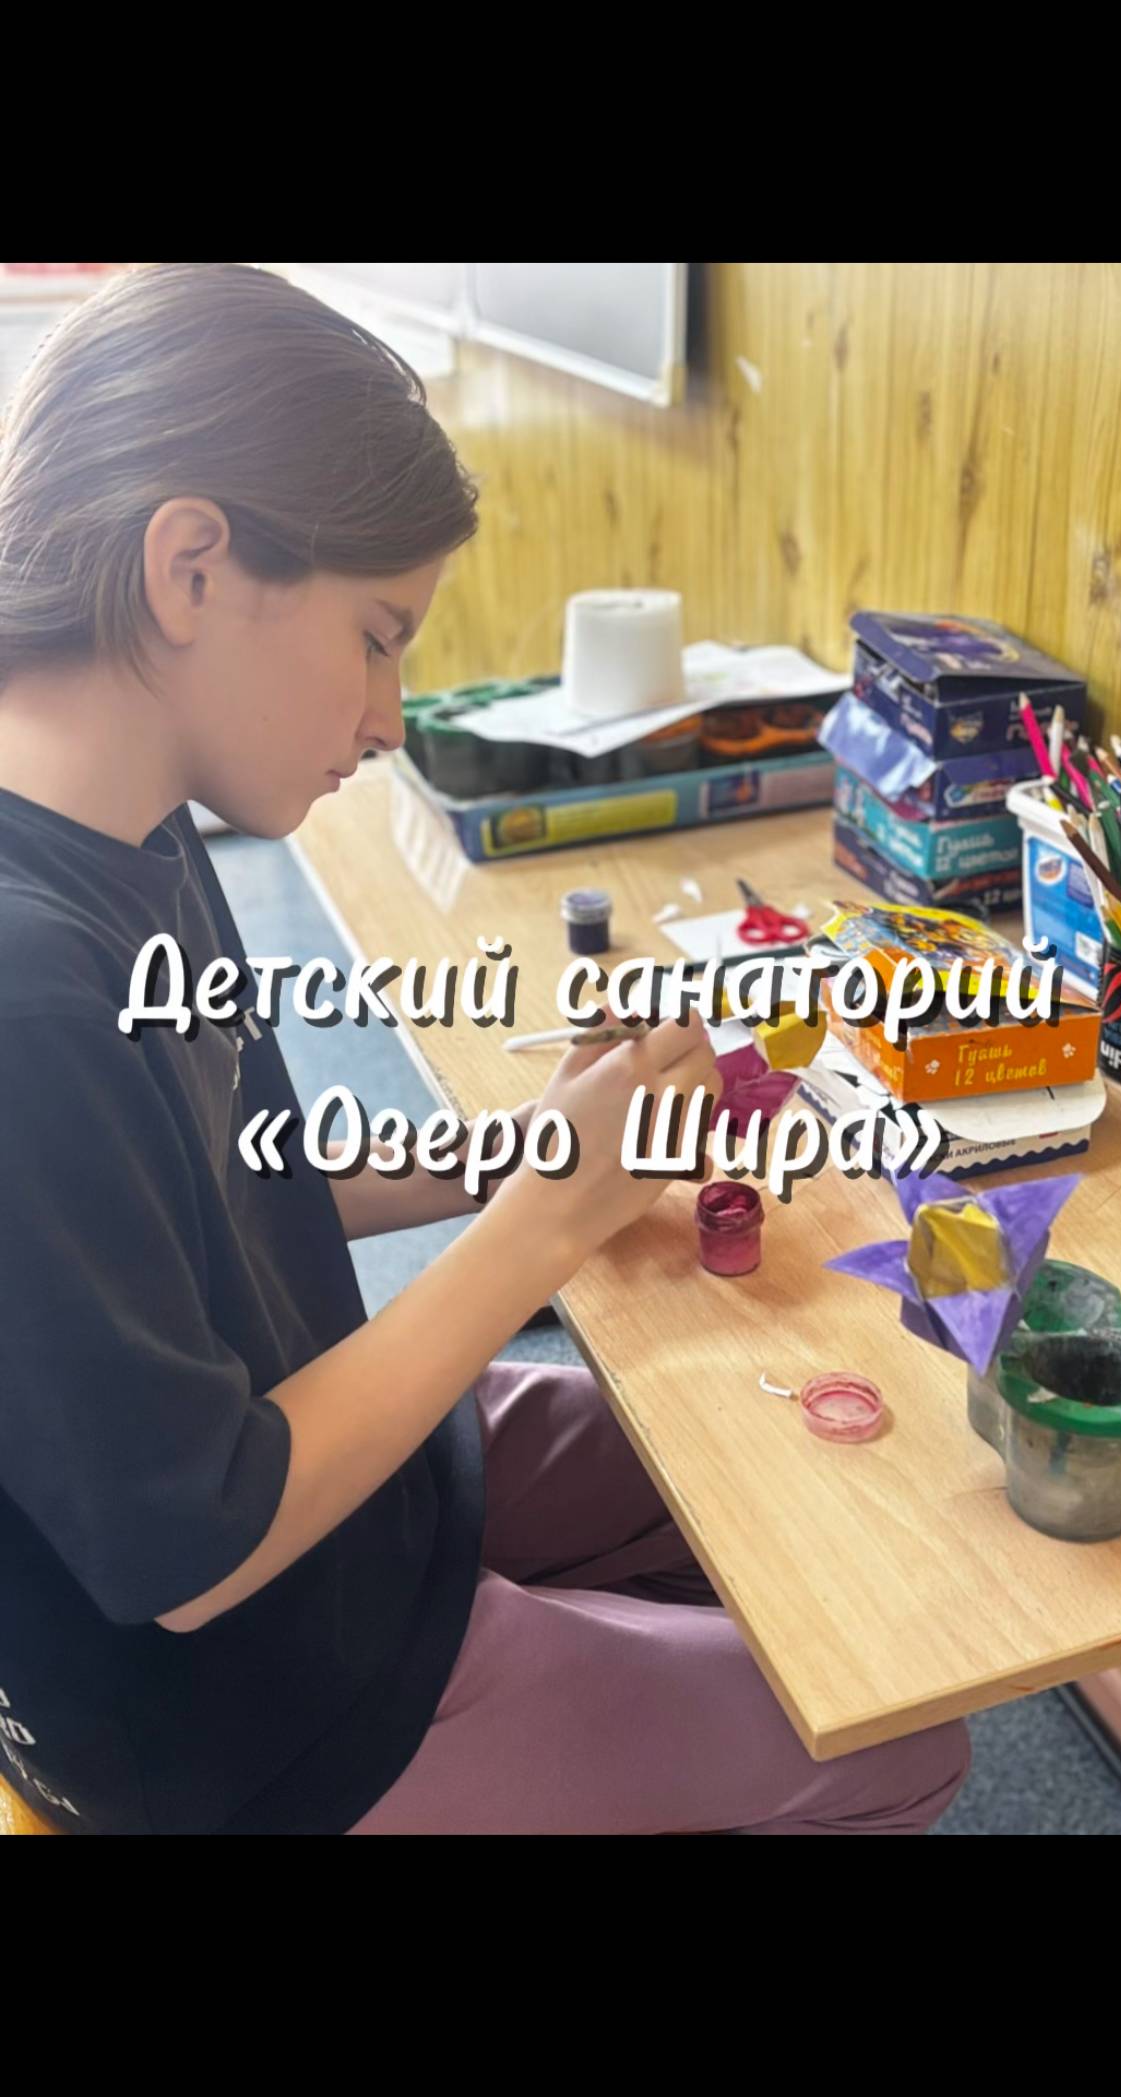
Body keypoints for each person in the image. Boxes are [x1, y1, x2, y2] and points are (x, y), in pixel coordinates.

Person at [0, 264, 969, 1834]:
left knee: (766, 1470)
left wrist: (507, 1153)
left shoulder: (130, 813)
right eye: (378, 636)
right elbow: (195, 1548)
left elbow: (211, 1170)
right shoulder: (27, 991)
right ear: (190, 566)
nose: (391, 715)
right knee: (906, 1740)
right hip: (255, 1715)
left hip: (349, 1513)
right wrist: (543, 1222)